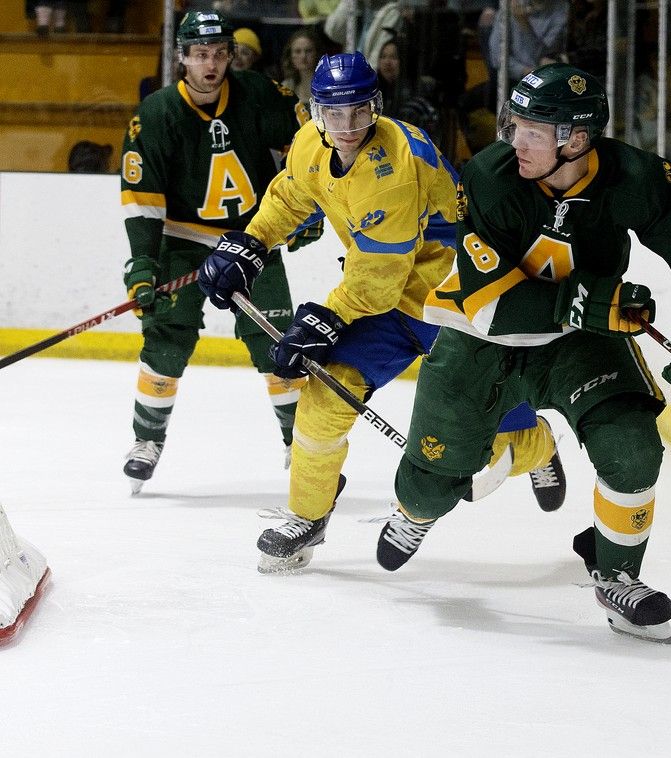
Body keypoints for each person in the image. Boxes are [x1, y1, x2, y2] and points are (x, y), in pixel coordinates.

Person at [380, 63, 671, 644]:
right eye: (514, 124)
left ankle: (618, 574)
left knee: (633, 448)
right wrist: (597, 303)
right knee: (429, 484)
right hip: (481, 343)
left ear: (574, 140)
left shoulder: (636, 177)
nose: (513, 141)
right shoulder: (490, 179)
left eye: (532, 131)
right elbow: (492, 306)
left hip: (578, 346)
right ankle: (416, 513)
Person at [197, 51, 566, 574]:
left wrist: (321, 321)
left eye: (359, 112)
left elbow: (376, 279)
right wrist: (251, 241)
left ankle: (539, 444)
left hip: (457, 300)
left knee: (484, 454)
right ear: (314, 111)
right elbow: (291, 196)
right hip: (389, 299)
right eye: (333, 113)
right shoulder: (311, 141)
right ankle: (307, 515)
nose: (347, 127)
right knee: (324, 398)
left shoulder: (391, 170)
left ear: (376, 106)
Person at [120, 10, 314, 494]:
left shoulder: (261, 94)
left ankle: (301, 445)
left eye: (219, 54)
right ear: (182, 58)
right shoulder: (155, 116)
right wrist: (143, 261)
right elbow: (144, 200)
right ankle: (146, 441)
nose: (211, 65)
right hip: (183, 240)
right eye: (201, 54)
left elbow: (311, 149)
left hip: (253, 238)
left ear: (230, 56)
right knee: (166, 339)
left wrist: (307, 210)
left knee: (277, 344)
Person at [281, 27, 323, 104]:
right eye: (297, 51)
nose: (303, 56)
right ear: (290, 56)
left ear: (317, 53)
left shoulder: (328, 86)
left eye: (308, 51)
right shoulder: (287, 86)